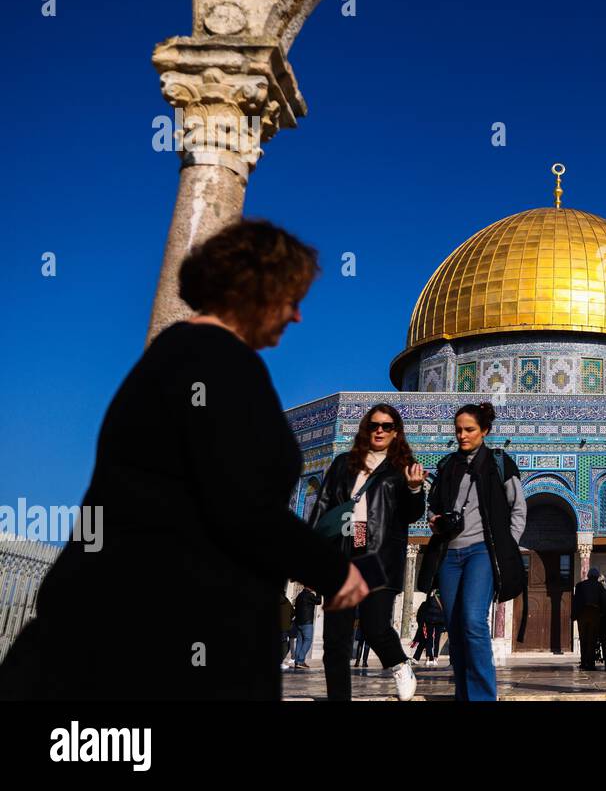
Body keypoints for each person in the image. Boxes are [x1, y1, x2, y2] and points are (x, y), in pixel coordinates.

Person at [0, 219, 366, 700]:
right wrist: (333, 570)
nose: (297, 315)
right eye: (291, 296)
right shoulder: (219, 363)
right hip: (166, 631)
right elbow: (239, 503)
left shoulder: (173, 357)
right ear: (257, 288)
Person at [310, 403, 427, 701]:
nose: (379, 430)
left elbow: (413, 515)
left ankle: (400, 664)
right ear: (366, 428)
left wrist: (415, 489)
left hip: (376, 554)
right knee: (336, 637)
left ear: (396, 432)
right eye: (374, 425)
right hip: (343, 554)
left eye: (386, 426)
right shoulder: (342, 464)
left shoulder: (402, 468)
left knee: (375, 626)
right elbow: (322, 508)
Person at [415, 402, 526, 701]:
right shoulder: (447, 466)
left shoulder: (499, 463)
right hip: (450, 555)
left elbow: (518, 508)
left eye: (469, 430)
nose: (462, 436)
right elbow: (433, 507)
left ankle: (482, 697)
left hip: (482, 553)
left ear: (485, 431)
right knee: (455, 623)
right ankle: (465, 694)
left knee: (474, 620)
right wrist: (435, 521)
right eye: (459, 430)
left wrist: (507, 545)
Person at [573, 567, 606, 670]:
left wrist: (574, 615)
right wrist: (603, 614)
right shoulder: (599, 586)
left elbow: (576, 601)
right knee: (592, 639)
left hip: (582, 614)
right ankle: (590, 663)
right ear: (596, 577)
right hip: (594, 614)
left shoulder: (579, 585)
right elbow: (603, 601)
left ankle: (583, 662)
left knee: (583, 639)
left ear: (588, 575)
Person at [291, 585, 321, 668]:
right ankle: (300, 660)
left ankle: (297, 661)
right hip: (307, 623)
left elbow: (295, 609)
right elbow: (319, 601)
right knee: (308, 640)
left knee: (299, 642)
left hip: (299, 622)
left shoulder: (299, 596)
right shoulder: (310, 595)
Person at [411, 594, 444, 665]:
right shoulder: (443, 601)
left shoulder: (427, 602)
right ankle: (435, 658)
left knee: (428, 639)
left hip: (429, 622)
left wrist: (422, 623)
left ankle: (428, 658)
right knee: (436, 640)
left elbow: (420, 615)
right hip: (439, 622)